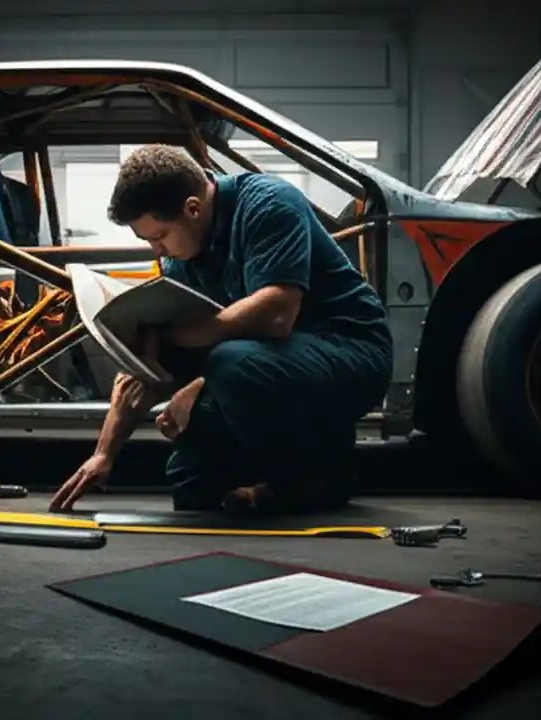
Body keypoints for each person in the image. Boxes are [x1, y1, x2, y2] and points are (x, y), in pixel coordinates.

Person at [50, 145, 393, 515]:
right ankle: (300, 461)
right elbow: (146, 369)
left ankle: (317, 477)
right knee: (191, 485)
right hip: (263, 366)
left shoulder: (269, 204)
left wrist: (187, 355)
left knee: (230, 363)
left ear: (193, 208)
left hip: (351, 353)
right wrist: (104, 454)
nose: (156, 249)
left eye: (160, 236)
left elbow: (277, 315)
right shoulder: (178, 259)